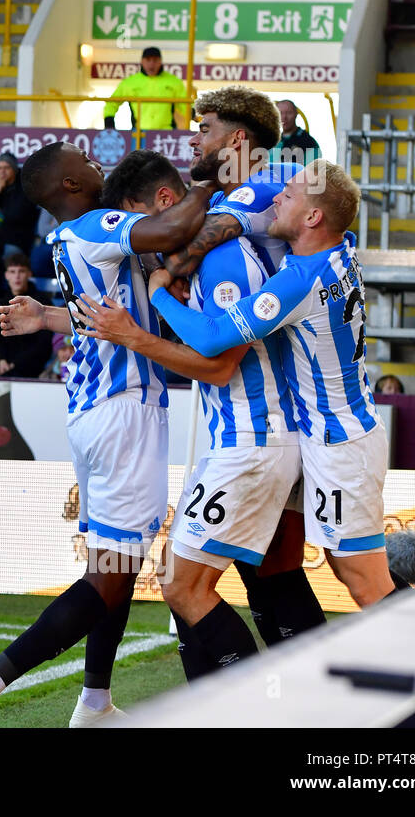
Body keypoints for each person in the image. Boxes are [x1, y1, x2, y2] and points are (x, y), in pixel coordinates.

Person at [0, 139, 210, 729]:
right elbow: (174, 227)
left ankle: (94, 703)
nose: (97, 167)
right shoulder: (94, 225)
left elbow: (102, 311)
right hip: (124, 411)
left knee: (118, 564)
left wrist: (44, 315)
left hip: (93, 411)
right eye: (85, 165)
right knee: (111, 574)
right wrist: (215, 178)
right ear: (69, 185)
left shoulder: (68, 241)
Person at [78, 149, 326, 684]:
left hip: (252, 438)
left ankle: (259, 703)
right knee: (267, 580)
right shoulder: (225, 247)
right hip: (255, 437)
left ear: (165, 204)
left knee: (183, 585)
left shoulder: (223, 257)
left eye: (140, 222)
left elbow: (218, 364)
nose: (138, 239)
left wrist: (141, 329)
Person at [133, 160, 400, 614]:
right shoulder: (342, 250)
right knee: (349, 571)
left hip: (340, 445)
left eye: (290, 196)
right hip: (340, 434)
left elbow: (212, 339)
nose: (277, 198)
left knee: (366, 584)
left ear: (314, 218)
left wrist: (158, 291)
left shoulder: (299, 282)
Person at [0, 254, 53, 378]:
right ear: (6, 275)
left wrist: (16, 364)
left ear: (29, 274)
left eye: (21, 271)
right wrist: (1, 359)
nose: (17, 276)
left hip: (33, 365)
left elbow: (44, 343)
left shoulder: (42, 302)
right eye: (12, 272)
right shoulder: (0, 301)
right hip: (4, 365)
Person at [104, 46, 189, 131]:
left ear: (160, 61)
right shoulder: (129, 83)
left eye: (155, 60)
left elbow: (185, 105)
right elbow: (112, 103)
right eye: (148, 60)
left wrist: (195, 115)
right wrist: (109, 120)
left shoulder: (174, 82)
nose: (151, 64)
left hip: (166, 134)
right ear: (142, 61)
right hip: (139, 134)